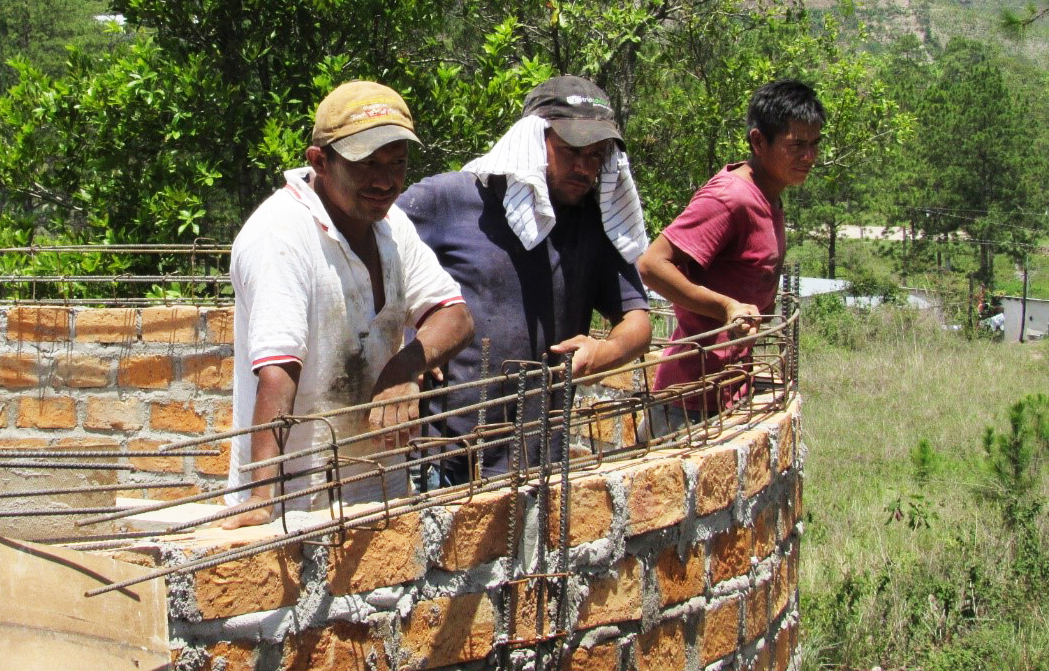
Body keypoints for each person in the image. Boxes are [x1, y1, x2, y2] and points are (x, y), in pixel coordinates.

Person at [222, 81, 474, 528]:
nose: (385, 181)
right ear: (319, 160)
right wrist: (263, 496)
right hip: (298, 508)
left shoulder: (391, 226)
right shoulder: (280, 235)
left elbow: (455, 316)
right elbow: (279, 370)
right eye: (367, 164)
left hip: (382, 494)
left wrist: (401, 370)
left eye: (397, 162)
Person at [397, 75, 651, 484]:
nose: (585, 168)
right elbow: (369, 268)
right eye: (570, 152)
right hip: (440, 457)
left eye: (597, 155)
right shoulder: (448, 200)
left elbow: (638, 321)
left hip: (537, 459)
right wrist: (407, 348)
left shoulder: (594, 224)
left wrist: (604, 351)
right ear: (533, 142)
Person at [637, 79, 825, 428]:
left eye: (815, 144)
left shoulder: (769, 196)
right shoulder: (731, 198)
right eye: (797, 145)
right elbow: (651, 265)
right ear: (758, 141)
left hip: (726, 391)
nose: (809, 156)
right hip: (689, 404)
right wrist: (725, 307)